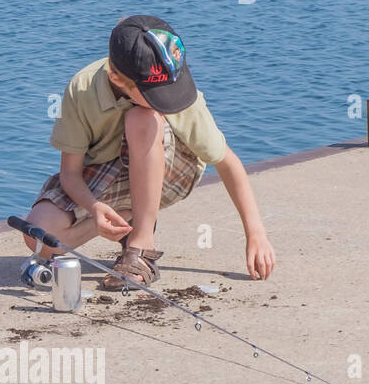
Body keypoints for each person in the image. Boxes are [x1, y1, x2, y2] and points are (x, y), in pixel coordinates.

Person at [21, 15, 276, 286]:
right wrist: (95, 211)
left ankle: (142, 247)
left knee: (143, 117)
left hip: (173, 172)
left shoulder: (174, 88)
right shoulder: (81, 88)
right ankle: (127, 218)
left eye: (171, 88)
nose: (169, 98)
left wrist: (256, 233)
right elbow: (70, 174)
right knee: (38, 235)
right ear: (116, 78)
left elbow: (228, 163)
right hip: (109, 172)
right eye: (156, 92)